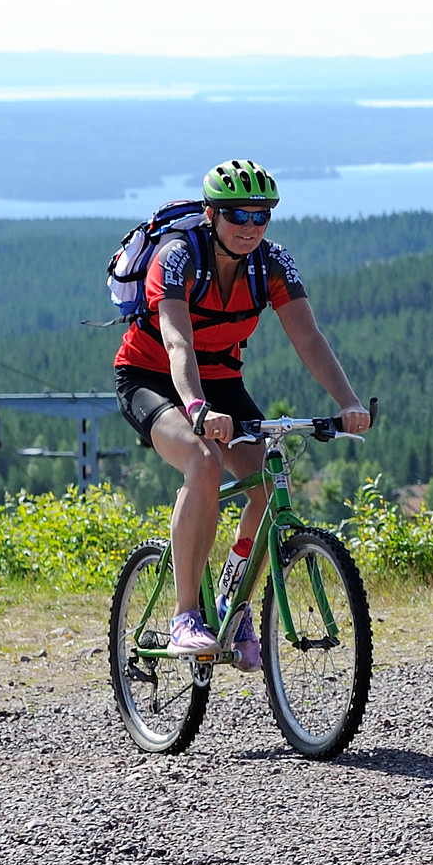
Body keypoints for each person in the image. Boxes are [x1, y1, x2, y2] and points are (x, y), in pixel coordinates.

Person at [112, 161, 374, 666]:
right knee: (203, 461)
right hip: (151, 378)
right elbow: (176, 341)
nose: (251, 227)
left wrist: (348, 402)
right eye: (238, 215)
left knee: (270, 486)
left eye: (263, 216)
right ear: (211, 214)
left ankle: (236, 603)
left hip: (223, 384)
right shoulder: (176, 257)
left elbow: (308, 338)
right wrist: (194, 407)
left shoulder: (273, 264)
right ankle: (186, 616)